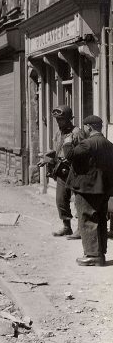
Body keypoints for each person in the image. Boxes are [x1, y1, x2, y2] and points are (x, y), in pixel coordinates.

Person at [63, 115, 113, 266]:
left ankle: (92, 255)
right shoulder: (109, 144)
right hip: (103, 189)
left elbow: (70, 155)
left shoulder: (87, 144)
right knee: (101, 220)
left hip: (87, 189)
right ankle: (100, 254)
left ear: (89, 127)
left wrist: (67, 143)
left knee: (87, 219)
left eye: (84, 127)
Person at [44, 105, 83, 239]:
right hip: (61, 170)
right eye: (57, 120)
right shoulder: (58, 133)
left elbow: (84, 151)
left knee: (79, 200)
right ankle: (67, 227)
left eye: (61, 119)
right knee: (60, 199)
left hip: (76, 170)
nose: (59, 122)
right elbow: (57, 150)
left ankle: (80, 229)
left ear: (69, 119)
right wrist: (48, 159)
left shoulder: (77, 132)